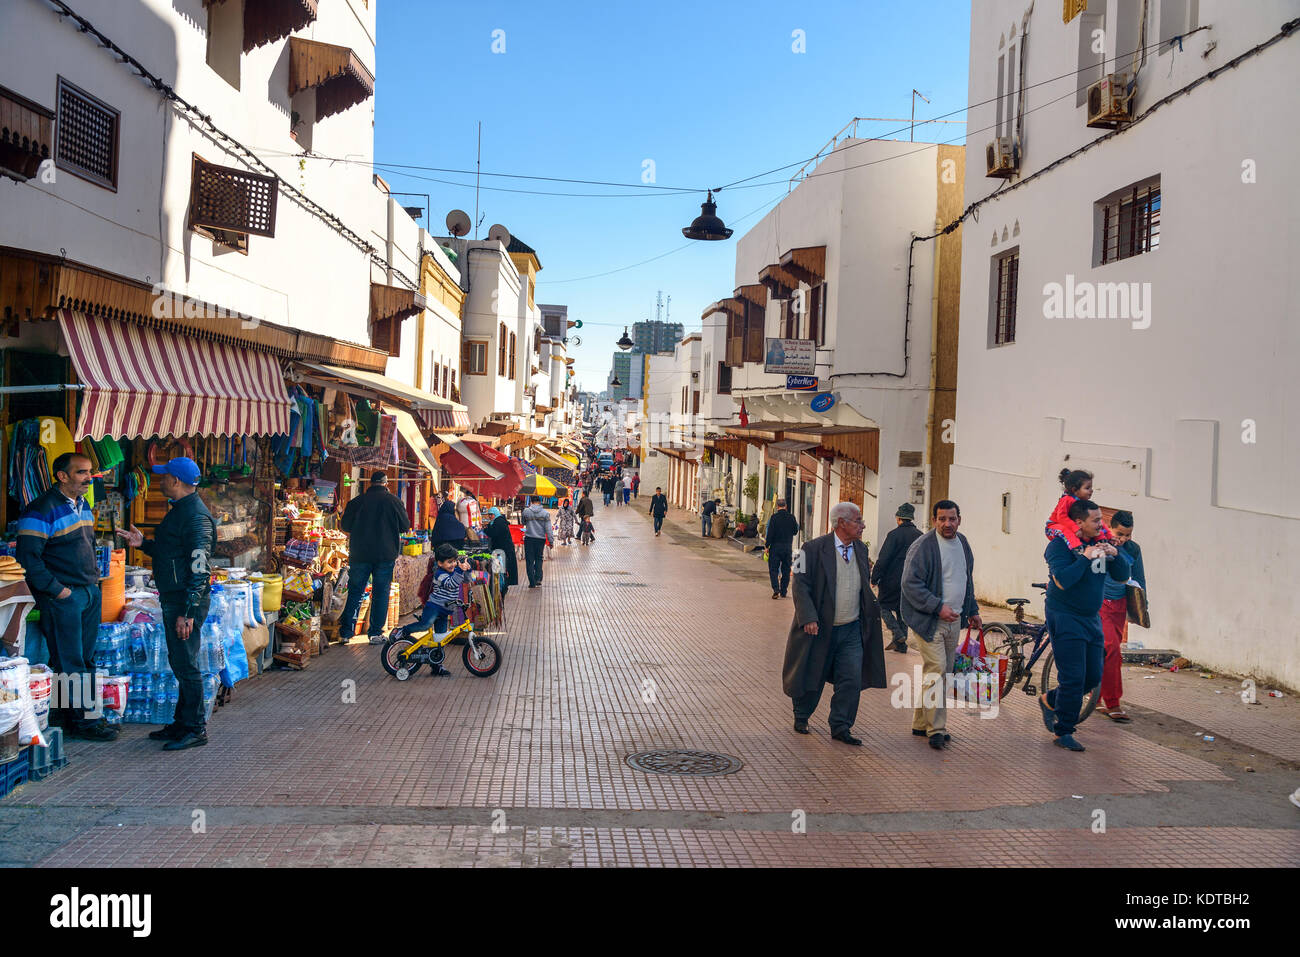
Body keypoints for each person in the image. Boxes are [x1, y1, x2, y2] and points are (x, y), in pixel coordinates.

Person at [116, 457, 217, 751]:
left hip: (185, 601)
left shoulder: (195, 517)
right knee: (180, 661)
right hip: (176, 597)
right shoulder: (181, 512)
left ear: (175, 481)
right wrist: (143, 544)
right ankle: (181, 723)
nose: (160, 481)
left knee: (186, 664)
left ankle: (196, 728)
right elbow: (172, 552)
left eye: (164, 477)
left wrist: (187, 612)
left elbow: (200, 569)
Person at [17, 452, 116, 741]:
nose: (89, 478)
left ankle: (67, 715)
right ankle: (86, 722)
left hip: (88, 591)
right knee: (70, 659)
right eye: (82, 473)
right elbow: (28, 559)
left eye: (89, 472)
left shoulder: (84, 504)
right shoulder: (40, 510)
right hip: (63, 596)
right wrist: (58, 591)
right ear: (62, 476)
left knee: (83, 658)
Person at [781, 501, 887, 745]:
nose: (863, 525)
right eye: (858, 521)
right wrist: (807, 616)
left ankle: (841, 725)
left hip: (851, 628)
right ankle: (802, 715)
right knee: (812, 674)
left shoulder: (860, 549)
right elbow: (798, 584)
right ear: (842, 523)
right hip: (820, 628)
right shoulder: (810, 549)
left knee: (851, 678)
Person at [1039, 499, 1131, 751]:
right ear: (1079, 522)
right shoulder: (1060, 546)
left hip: (1092, 617)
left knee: (1092, 676)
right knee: (1073, 677)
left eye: (1101, 519)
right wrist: (1084, 558)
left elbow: (1123, 576)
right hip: (1065, 615)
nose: (1101, 524)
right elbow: (1062, 581)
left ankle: (1050, 699)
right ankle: (1064, 731)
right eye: (1096, 520)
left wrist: (1116, 554)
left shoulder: (1101, 542)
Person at [899, 500, 981, 751]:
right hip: (929, 621)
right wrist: (937, 607)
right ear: (934, 520)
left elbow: (965, 579)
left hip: (954, 620)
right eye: (942, 519)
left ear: (959, 519)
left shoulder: (963, 544)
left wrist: (973, 610)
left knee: (940, 672)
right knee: (937, 668)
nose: (947, 523)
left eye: (952, 518)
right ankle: (937, 730)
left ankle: (921, 723)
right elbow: (910, 584)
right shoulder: (923, 546)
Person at [336, 470, 410, 645]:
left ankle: (346, 633)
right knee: (380, 592)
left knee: (355, 591)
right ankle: (375, 633)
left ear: (370, 483)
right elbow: (405, 526)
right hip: (385, 554)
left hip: (360, 553)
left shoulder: (357, 502)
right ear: (386, 484)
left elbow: (345, 525)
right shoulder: (394, 502)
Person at [1097, 510, 1145, 722]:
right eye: (1120, 533)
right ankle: (1111, 701)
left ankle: (1102, 698)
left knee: (1109, 650)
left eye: (1128, 535)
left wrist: (1141, 609)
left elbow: (1139, 579)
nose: (1124, 538)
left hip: (1120, 605)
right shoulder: (1101, 543)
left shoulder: (1133, 550)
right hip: (1098, 604)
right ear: (1110, 527)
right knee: (1109, 649)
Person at [409, 544, 471, 675]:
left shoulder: (453, 571)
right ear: (440, 563)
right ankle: (401, 631)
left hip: (445, 610)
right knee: (425, 625)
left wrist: (466, 569)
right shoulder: (440, 574)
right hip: (434, 607)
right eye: (449, 562)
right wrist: (459, 571)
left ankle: (437, 666)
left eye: (454, 561)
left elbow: (465, 580)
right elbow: (451, 583)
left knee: (440, 640)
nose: (453, 564)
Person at [870, 503, 923, 653]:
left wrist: (875, 577)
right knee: (902, 610)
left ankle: (897, 634)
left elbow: (884, 558)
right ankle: (901, 645)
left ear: (898, 518)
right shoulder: (920, 536)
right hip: (911, 581)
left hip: (891, 580)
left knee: (882, 606)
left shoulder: (893, 535)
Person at [1046, 468, 1113, 548]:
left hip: (1070, 525)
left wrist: (1110, 536)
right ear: (1074, 490)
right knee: (1066, 531)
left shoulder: (1082, 502)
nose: (1091, 491)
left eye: (1091, 487)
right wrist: (1075, 529)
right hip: (1054, 526)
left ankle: (1104, 543)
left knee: (1095, 526)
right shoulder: (1066, 499)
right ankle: (1078, 549)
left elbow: (1098, 521)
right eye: (1087, 488)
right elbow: (1061, 517)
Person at [764, 499, 800, 599]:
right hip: (787, 547)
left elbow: (770, 534)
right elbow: (795, 531)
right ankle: (783, 591)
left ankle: (776, 589)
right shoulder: (791, 517)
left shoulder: (774, 518)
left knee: (773, 569)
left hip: (775, 548)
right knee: (786, 570)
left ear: (777, 507)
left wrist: (767, 546)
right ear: (786, 506)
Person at [481, 507, 519, 597]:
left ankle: (503, 586)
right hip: (502, 549)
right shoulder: (497, 521)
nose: (490, 516)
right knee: (503, 569)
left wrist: (485, 529)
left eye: (491, 514)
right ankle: (503, 585)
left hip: (504, 550)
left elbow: (492, 533)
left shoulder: (499, 522)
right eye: (489, 514)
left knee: (503, 569)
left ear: (496, 514)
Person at [521, 497, 553, 587]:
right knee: (539, 558)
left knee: (529, 560)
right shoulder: (545, 513)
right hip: (540, 539)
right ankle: (538, 579)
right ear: (540, 502)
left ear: (531, 502)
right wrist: (551, 541)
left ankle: (532, 582)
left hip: (529, 538)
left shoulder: (526, 511)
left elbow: (523, 522)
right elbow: (548, 528)